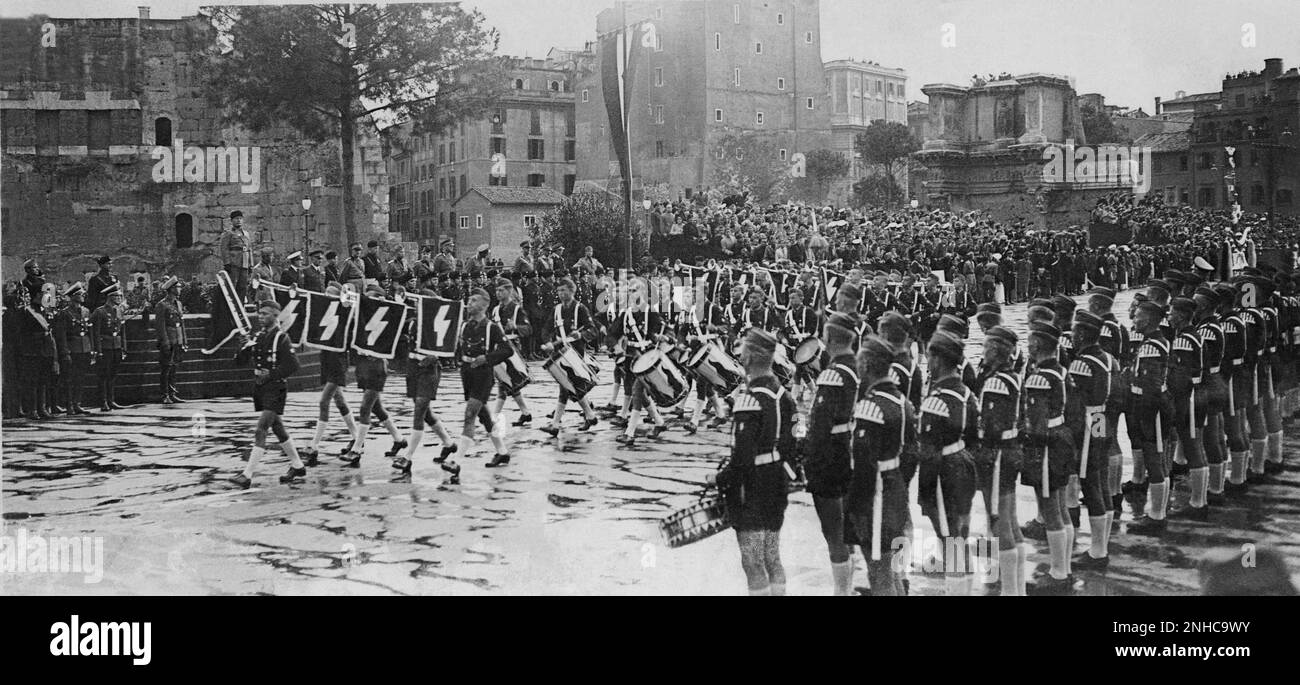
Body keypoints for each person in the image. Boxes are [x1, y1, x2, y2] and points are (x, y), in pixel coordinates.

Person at [708, 328, 795, 596]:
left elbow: (742, 459)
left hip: (752, 487)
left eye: (744, 349)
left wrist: (719, 479)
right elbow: (792, 446)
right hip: (777, 479)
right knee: (772, 556)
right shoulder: (784, 395)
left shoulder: (749, 399)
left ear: (750, 357)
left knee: (752, 561)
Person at [846, 335, 915, 596]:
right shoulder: (902, 402)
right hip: (895, 486)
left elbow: (863, 464)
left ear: (866, 365)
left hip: (875, 494)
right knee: (891, 569)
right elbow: (910, 454)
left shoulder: (870, 407)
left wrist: (855, 505)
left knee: (879, 571)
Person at [917, 331, 980, 596]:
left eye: (931, 355)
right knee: (958, 537)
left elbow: (927, 451)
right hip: (963, 462)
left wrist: (925, 492)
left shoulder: (937, 399)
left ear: (939, 359)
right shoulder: (966, 392)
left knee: (950, 538)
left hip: (944, 470)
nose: (928, 361)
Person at [801, 312, 859, 595]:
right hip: (850, 448)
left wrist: (807, 459)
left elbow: (820, 424)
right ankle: (848, 586)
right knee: (847, 530)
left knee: (833, 532)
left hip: (831, 455)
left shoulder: (834, 374)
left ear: (830, 338)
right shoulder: (857, 365)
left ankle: (841, 591)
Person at [227, 300, 308, 489]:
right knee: (278, 428)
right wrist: (242, 347)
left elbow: (293, 365)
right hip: (261, 388)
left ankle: (247, 475)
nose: (261, 317)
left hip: (276, 388)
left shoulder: (281, 338)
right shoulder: (257, 336)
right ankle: (297, 465)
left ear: (275, 316)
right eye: (259, 313)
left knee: (261, 428)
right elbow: (240, 361)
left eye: (265, 314)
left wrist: (271, 374)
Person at [1022, 321, 1076, 594]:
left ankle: (1057, 574)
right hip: (1063, 437)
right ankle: (1063, 568)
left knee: (1051, 508)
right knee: (1062, 508)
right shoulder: (1060, 370)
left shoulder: (1039, 377)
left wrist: (1027, 447)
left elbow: (1036, 422)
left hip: (1047, 444)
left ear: (1037, 345)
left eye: (1030, 342)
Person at [972, 325, 1025, 595]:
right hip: (1011, 450)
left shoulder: (995, 382)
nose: (983, 352)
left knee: (999, 520)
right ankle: (1017, 586)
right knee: (1010, 520)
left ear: (995, 350)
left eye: (985, 347)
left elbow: (990, 426)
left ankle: (1009, 591)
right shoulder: (1012, 376)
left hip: (997, 455)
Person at [340, 286, 415, 468]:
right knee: (377, 408)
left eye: (373, 297)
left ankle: (357, 449)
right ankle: (398, 439)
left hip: (377, 365)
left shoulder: (388, 316)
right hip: (363, 364)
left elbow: (402, 323)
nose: (368, 300)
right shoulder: (363, 315)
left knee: (365, 407)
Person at [1067, 310, 1117, 572]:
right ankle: (1102, 545)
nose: (1072, 336)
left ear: (1083, 334)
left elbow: (1075, 402)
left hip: (1088, 423)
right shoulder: (1109, 358)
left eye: (1075, 332)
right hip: (1103, 420)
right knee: (1100, 477)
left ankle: (1098, 552)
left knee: (1090, 483)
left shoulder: (1081, 363)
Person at [391, 291, 458, 476]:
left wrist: (435, 356)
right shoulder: (413, 322)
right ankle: (449, 444)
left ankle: (408, 457)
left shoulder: (436, 323)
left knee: (420, 409)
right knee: (424, 411)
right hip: (413, 368)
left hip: (429, 370)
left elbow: (446, 345)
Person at [300, 285, 362, 465]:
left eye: (330, 295)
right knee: (339, 401)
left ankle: (314, 445)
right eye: (325, 294)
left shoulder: (344, 312)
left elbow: (353, 310)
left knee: (323, 401)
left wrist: (346, 300)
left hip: (338, 360)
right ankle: (357, 438)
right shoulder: (323, 311)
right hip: (326, 357)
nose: (326, 297)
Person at [1127, 300, 1173, 535]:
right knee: (1155, 459)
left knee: (1155, 461)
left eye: (1137, 317)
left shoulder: (1153, 345)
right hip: (1148, 405)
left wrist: (1145, 413)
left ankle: (1157, 516)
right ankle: (1157, 512)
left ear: (1148, 320)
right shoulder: (1150, 341)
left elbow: (1152, 386)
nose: (1134, 320)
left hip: (1151, 408)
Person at [455, 287, 513, 467]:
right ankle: (502, 452)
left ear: (484, 305)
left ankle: (457, 462)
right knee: (484, 416)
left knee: (470, 413)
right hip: (467, 373)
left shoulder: (491, 327)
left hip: (483, 375)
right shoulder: (465, 325)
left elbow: (507, 350)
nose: (469, 304)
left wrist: (487, 358)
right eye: (469, 300)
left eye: (473, 300)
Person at [539, 278, 601, 435]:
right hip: (559, 352)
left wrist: (580, 334)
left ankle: (555, 425)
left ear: (572, 291)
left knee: (566, 386)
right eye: (559, 290)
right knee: (569, 386)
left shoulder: (580, 309)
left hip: (575, 353)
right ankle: (589, 415)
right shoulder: (556, 309)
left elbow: (593, 330)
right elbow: (546, 329)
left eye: (563, 290)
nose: (560, 294)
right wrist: (547, 342)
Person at [491, 277, 536, 426]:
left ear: (509, 291)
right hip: (499, 349)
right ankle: (525, 412)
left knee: (505, 382)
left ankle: (494, 417)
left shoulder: (517, 309)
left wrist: (515, 326)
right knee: (506, 382)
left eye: (501, 290)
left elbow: (528, 329)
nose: (498, 293)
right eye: (497, 290)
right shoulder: (495, 310)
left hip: (512, 349)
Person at [16, 281, 59, 419]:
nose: (46, 295)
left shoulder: (43, 310)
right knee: (32, 381)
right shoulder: (26, 311)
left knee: (44, 380)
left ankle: (42, 408)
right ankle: (32, 409)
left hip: (45, 350)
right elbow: (22, 332)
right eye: (43, 293)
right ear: (37, 294)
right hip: (32, 351)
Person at [53, 283, 93, 415]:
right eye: (80, 294)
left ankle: (77, 403)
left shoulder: (86, 311)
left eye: (82, 294)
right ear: (73, 296)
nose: (83, 296)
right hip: (72, 349)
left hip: (84, 348)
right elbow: (62, 335)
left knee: (80, 378)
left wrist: (91, 349)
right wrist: (65, 352)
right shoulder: (64, 313)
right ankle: (69, 404)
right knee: (69, 378)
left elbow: (89, 332)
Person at [89, 284, 127, 412]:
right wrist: (97, 350)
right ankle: (103, 401)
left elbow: (122, 331)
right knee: (103, 375)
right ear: (109, 297)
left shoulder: (119, 310)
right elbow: (95, 332)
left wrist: (123, 347)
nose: (118, 298)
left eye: (119, 296)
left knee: (112, 375)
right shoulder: (100, 312)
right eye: (116, 296)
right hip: (105, 347)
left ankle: (111, 400)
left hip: (116, 346)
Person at [153, 277, 187, 404]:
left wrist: (184, 340)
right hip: (168, 339)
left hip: (177, 338)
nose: (180, 290)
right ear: (172, 289)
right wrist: (165, 342)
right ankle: (164, 394)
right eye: (178, 287)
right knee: (166, 368)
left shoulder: (178, 303)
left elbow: (181, 323)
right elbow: (160, 326)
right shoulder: (161, 305)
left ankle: (172, 393)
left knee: (174, 368)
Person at [220, 211, 253, 300]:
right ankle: (229, 309)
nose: (238, 220)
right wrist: (227, 263)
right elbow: (224, 248)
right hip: (234, 263)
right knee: (231, 286)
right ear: (232, 221)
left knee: (243, 287)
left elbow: (249, 249)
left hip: (245, 263)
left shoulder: (246, 233)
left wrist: (251, 264)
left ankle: (240, 309)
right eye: (236, 219)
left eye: (240, 218)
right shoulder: (228, 233)